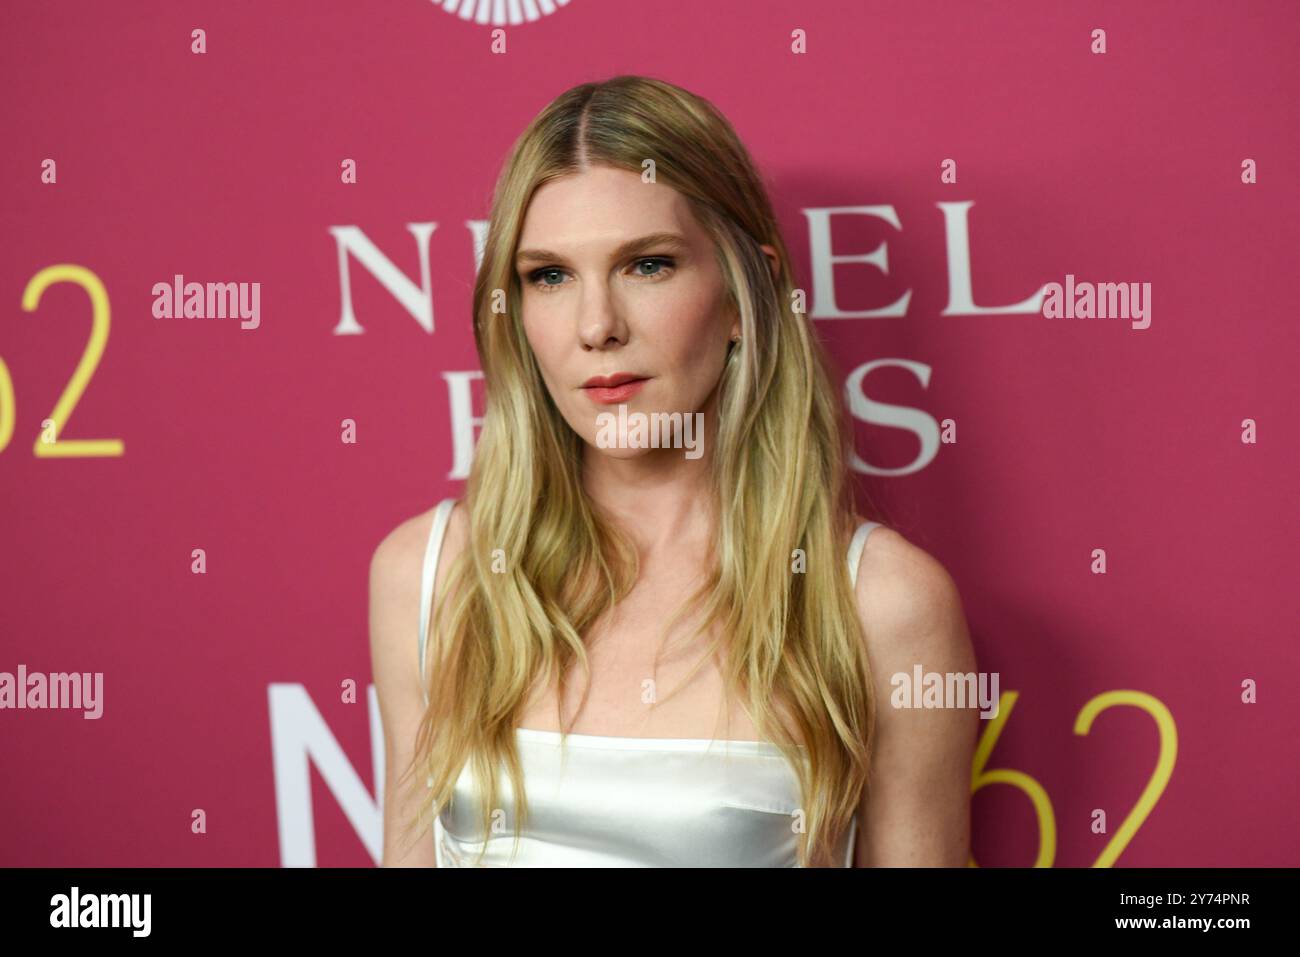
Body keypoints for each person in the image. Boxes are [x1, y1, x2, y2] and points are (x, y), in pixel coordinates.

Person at [369, 75, 977, 867]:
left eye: (647, 265)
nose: (596, 326)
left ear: (743, 294)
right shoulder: (427, 576)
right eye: (548, 276)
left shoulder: (882, 602)